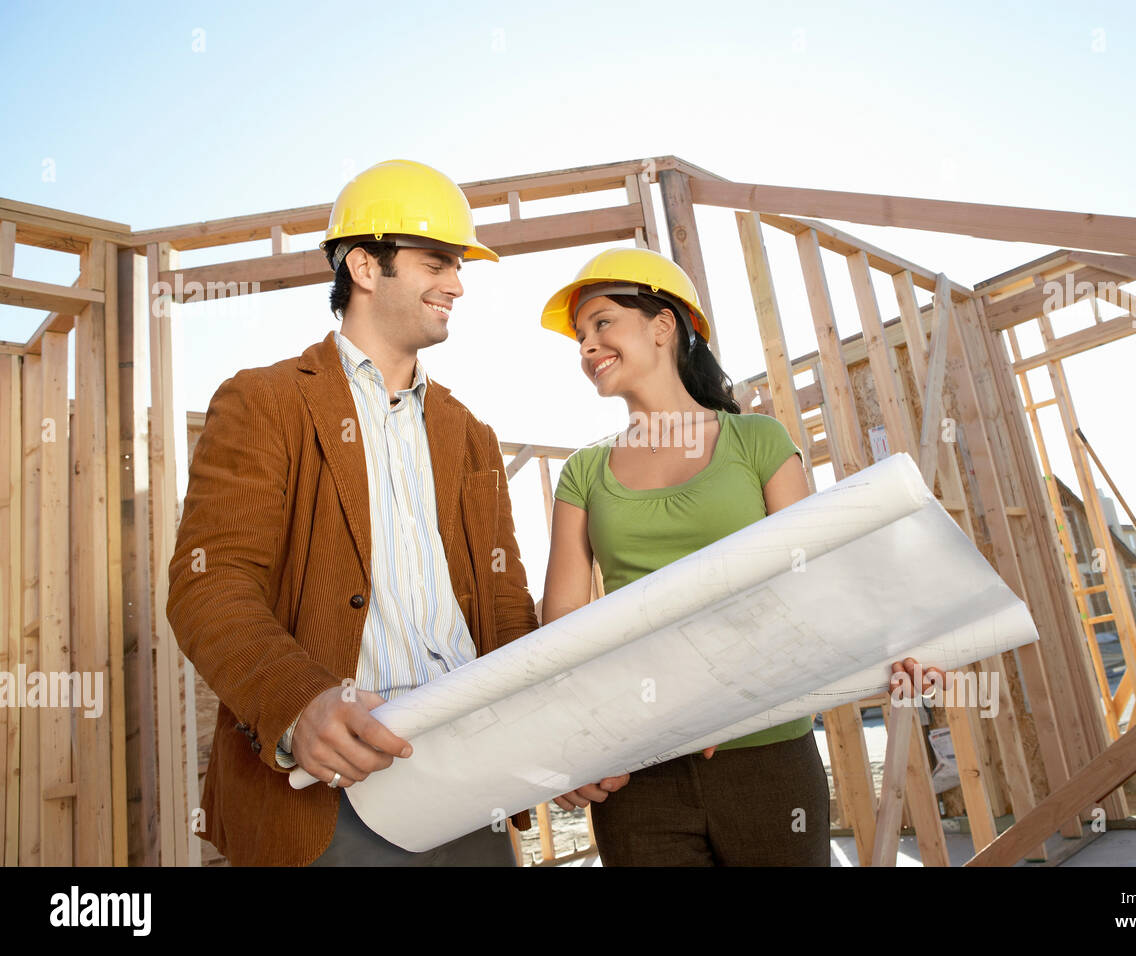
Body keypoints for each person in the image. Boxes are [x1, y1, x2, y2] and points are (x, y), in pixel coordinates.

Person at [167, 159, 540, 866]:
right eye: (437, 261)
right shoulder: (266, 402)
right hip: (333, 794)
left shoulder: (471, 435)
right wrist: (300, 702)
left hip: (475, 777)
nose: (457, 284)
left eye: (459, 267)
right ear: (366, 267)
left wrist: (550, 734)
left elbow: (504, 606)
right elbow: (208, 585)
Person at [538, 248, 946, 866]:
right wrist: (576, 741)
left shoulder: (757, 442)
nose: (586, 346)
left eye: (601, 323)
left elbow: (812, 581)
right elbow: (562, 621)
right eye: (580, 336)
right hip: (638, 768)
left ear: (662, 325)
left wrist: (891, 646)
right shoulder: (585, 473)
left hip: (766, 755)